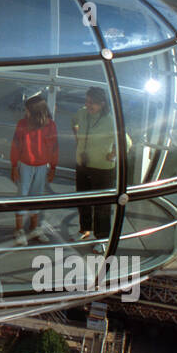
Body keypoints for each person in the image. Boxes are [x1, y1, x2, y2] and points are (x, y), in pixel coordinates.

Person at [71, 87, 128, 244]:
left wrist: (113, 154)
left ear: (102, 104)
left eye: (92, 103)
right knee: (82, 200)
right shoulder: (82, 113)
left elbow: (126, 142)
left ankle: (102, 239)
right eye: (87, 101)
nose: (88, 105)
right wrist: (78, 138)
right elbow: (73, 122)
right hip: (82, 165)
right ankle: (85, 230)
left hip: (102, 170)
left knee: (102, 206)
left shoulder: (111, 120)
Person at [10, 93, 58, 245]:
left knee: (35, 197)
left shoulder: (50, 126)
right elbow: (15, 146)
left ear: (35, 112)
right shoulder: (22, 124)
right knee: (22, 197)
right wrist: (14, 166)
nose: (26, 113)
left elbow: (54, 148)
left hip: (41, 167)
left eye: (27, 110)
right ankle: (19, 230)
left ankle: (33, 228)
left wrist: (53, 167)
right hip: (25, 166)